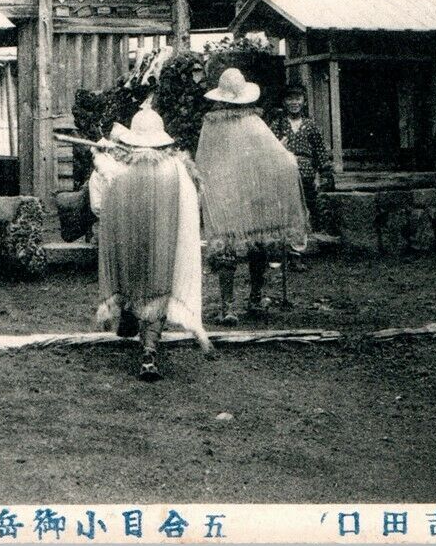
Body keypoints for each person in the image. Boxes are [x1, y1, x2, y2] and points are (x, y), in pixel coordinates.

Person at [93, 106, 212, 382]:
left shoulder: (119, 169)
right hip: (163, 245)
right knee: (158, 292)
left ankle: (130, 323)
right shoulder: (176, 169)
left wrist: (101, 155)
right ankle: (149, 352)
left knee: (133, 287)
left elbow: (100, 202)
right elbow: (192, 202)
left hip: (128, 244)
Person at [194, 68, 311, 323]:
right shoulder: (253, 122)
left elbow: (202, 162)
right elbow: (277, 159)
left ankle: (228, 307)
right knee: (257, 241)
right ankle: (255, 298)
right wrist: (286, 157)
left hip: (224, 193)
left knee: (226, 247)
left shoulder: (211, 125)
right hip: (253, 193)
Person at [268, 84, 335, 232]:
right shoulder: (277, 125)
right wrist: (278, 147)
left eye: (298, 98)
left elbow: (320, 152)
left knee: (309, 206)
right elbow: (268, 152)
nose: (294, 103)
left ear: (304, 101)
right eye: (290, 99)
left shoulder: (310, 125)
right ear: (284, 102)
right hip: (284, 173)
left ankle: (311, 236)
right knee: (287, 208)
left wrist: (323, 175)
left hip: (306, 174)